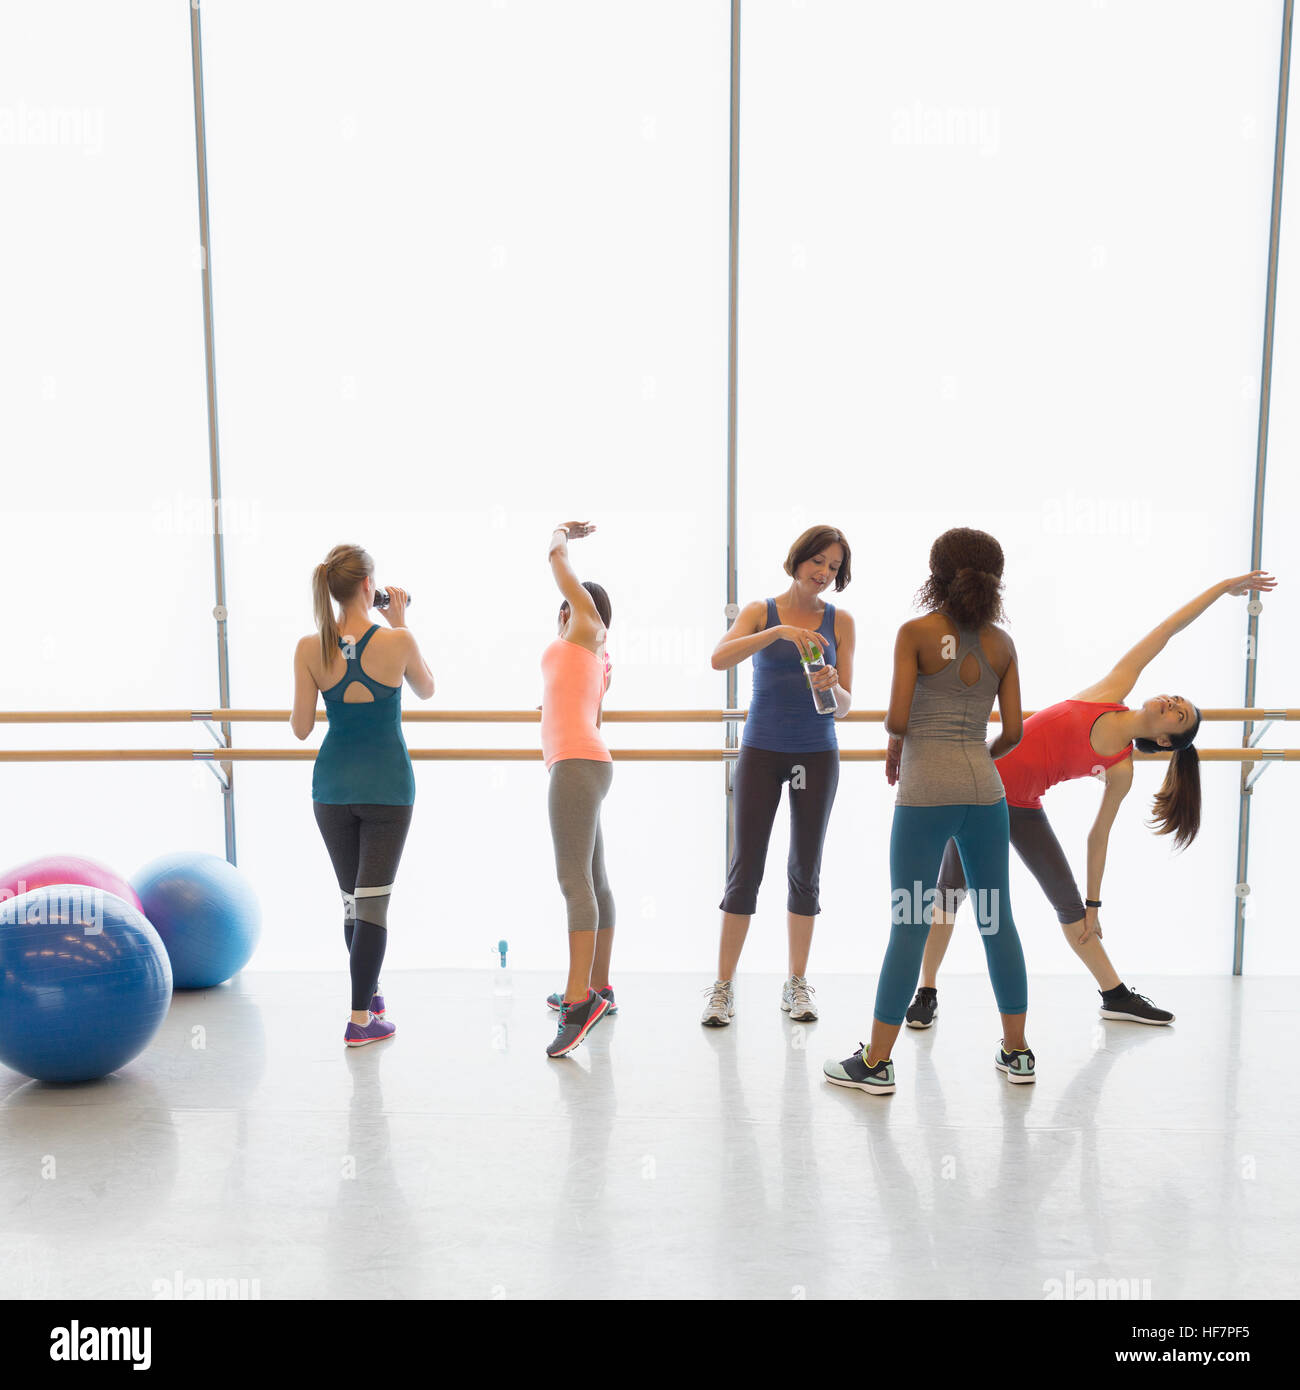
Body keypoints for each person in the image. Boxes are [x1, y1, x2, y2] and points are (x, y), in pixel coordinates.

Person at [905, 569, 1278, 1029]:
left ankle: (1114, 995)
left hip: (1020, 808)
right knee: (949, 894)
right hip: (976, 788)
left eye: (1177, 715)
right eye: (1177, 699)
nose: (1171, 703)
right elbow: (1166, 630)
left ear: (1164, 741)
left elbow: (1097, 835)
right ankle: (926, 991)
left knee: (1070, 906)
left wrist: (1095, 904)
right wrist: (1223, 590)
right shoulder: (1110, 691)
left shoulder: (1121, 770)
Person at [825, 527, 1031, 1095]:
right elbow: (1013, 732)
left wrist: (907, 743)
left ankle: (877, 1063)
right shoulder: (1002, 644)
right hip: (984, 795)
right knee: (996, 920)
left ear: (936, 574)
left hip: (923, 796)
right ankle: (1017, 1053)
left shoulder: (915, 632)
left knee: (910, 924)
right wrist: (978, 758)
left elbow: (896, 719)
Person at [703, 526, 856, 1026]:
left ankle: (796, 984)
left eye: (834, 567)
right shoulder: (759, 611)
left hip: (817, 753)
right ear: (797, 559)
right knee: (744, 867)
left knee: (805, 870)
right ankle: (722, 988)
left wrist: (832, 687)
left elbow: (846, 708)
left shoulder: (841, 622)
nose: (824, 573)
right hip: (761, 751)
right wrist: (778, 633)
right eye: (818, 561)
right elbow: (718, 658)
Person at [290, 544, 434, 1047]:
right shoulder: (399, 642)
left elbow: (302, 728)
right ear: (370, 586)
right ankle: (359, 1019)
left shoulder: (310, 647)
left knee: (354, 903)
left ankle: (369, 995)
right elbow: (428, 689)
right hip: (388, 790)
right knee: (372, 906)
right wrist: (398, 624)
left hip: (331, 790)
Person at [541, 521, 616, 1059]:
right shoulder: (588, 651)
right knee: (593, 878)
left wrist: (561, 530)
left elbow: (557, 562)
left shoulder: (586, 624)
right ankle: (601, 988)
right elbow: (582, 707)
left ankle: (578, 999)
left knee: (573, 881)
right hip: (584, 760)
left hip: (576, 764)